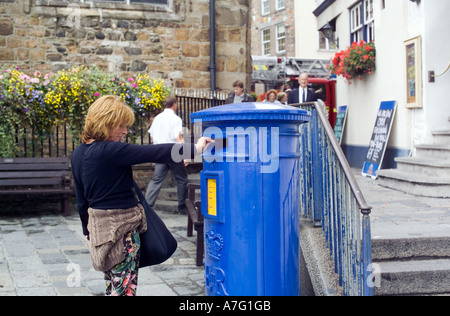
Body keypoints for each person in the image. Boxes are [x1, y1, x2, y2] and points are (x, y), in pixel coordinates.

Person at [71, 95, 212, 296]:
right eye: (121, 125)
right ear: (106, 123)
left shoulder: (79, 152)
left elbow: (81, 200)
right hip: (123, 232)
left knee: (114, 285)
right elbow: (154, 152)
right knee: (125, 290)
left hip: (100, 231)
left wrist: (88, 232)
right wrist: (195, 148)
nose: (125, 131)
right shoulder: (111, 150)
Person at [145, 95, 190, 214]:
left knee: (156, 180)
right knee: (182, 179)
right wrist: (185, 155)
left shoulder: (157, 118)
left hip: (159, 151)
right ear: (174, 104)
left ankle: (147, 206)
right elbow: (178, 137)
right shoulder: (175, 119)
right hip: (172, 150)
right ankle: (182, 207)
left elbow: (152, 135)